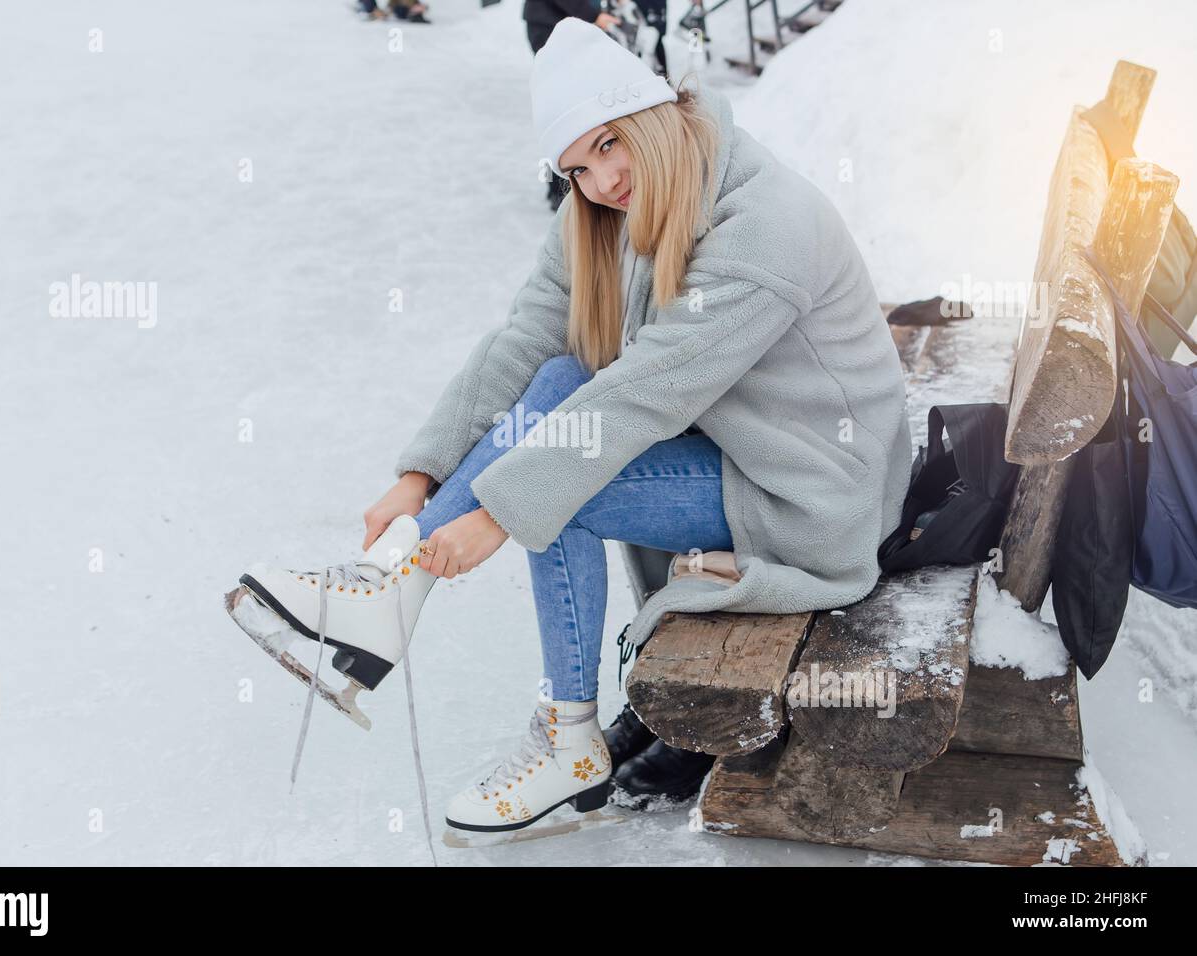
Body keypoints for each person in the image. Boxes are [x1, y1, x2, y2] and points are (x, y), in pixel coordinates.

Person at [236, 17, 911, 834]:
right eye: (577, 167)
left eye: (608, 145)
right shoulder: (606, 216)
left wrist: (495, 513)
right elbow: (524, 345)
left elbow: (644, 393)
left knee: (558, 484)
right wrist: (419, 476)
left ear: (653, 115)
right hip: (735, 453)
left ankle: (565, 743)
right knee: (557, 381)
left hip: (810, 489)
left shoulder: (765, 224)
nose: (600, 181)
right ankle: (392, 585)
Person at [525, 1, 621, 210]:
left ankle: (566, 190)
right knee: (566, 114)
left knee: (577, 111)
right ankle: (561, 192)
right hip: (552, 25)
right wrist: (593, 14)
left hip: (563, 22)